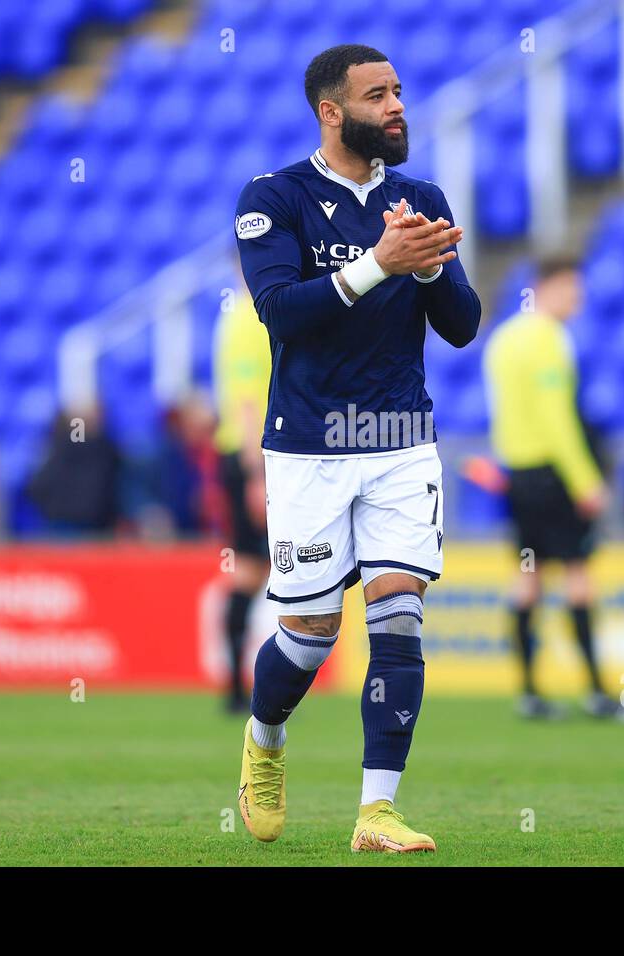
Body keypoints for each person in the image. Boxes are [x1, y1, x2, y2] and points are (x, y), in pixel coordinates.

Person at [233, 44, 480, 853]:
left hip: (401, 440)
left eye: (401, 91)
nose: (398, 106)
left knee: (399, 618)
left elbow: (463, 324)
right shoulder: (275, 197)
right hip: (309, 445)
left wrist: (424, 265)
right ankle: (265, 740)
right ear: (332, 112)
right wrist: (380, 264)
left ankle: (377, 811)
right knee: (309, 634)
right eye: (379, 95)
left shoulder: (418, 198)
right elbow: (281, 311)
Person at [483, 255, 624, 723]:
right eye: (572, 288)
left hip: (518, 473)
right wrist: (586, 482)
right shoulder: (548, 340)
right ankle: (595, 693)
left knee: (527, 579)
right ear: (546, 287)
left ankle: (530, 693)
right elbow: (557, 421)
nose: (579, 298)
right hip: (554, 475)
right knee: (577, 575)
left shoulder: (504, 338)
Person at [212, 277, 273, 713]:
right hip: (254, 457)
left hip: (251, 456)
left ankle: (241, 685)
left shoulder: (235, 318)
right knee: (252, 571)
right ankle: (237, 687)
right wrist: (257, 474)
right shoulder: (250, 319)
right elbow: (248, 403)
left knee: (257, 570)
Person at [26, 402, 122, 536]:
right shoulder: (66, 448)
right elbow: (40, 485)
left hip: (95, 525)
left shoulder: (104, 449)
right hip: (63, 524)